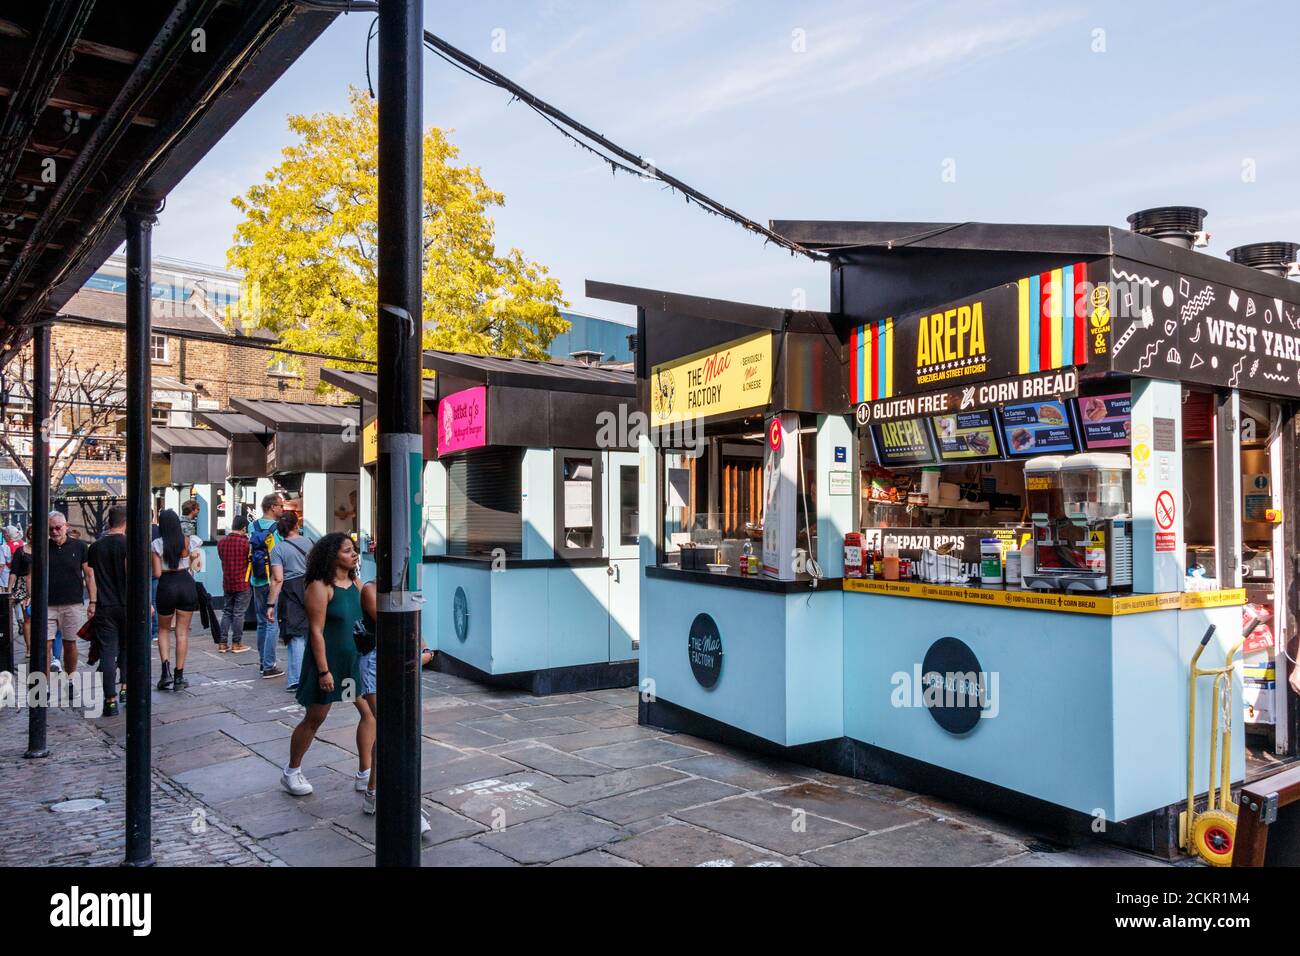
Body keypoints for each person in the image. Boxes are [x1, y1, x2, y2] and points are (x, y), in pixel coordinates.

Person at [281, 533, 371, 797]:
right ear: (332, 556)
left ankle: (365, 773)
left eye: (354, 549)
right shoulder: (320, 587)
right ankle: (291, 771)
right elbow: (316, 632)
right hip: (328, 663)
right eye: (347, 551)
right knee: (315, 718)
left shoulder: (355, 582)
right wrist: (323, 670)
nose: (354, 554)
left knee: (370, 714)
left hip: (354, 660)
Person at [355, 580, 431, 834]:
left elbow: (413, 624)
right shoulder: (370, 589)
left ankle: (373, 792)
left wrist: (424, 649)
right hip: (378, 662)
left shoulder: (407, 591)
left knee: (390, 732)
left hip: (401, 659)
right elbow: (394, 625)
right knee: (392, 729)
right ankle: (406, 806)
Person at [152, 508, 202, 691]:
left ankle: (165, 674)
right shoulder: (191, 541)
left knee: (163, 630)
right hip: (186, 585)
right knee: (182, 632)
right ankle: (179, 677)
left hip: (166, 586)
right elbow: (197, 567)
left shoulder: (157, 544)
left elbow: (157, 573)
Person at [86, 506, 128, 716]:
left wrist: (93, 602)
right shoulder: (129, 544)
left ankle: (109, 700)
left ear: (109, 522)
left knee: (108, 652)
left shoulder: (95, 547)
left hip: (105, 605)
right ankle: (125, 688)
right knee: (128, 648)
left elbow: (91, 577)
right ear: (125, 522)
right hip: (128, 605)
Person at [267, 511, 310, 691]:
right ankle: (312, 676)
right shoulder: (310, 543)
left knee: (295, 635)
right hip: (311, 587)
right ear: (296, 525)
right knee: (312, 632)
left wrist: (270, 604)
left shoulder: (278, 549)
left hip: (291, 592)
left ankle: (296, 678)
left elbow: (277, 579)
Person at [47, 511, 94, 675]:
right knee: (45, 644)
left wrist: (93, 601)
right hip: (47, 604)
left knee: (70, 642)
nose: (54, 532)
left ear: (66, 526)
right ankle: (43, 684)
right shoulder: (43, 547)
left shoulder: (79, 546)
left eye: (58, 528)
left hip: (71, 602)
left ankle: (71, 678)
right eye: (51, 529)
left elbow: (89, 575)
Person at [248, 493, 284, 678]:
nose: (282, 509)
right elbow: (278, 553)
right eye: (280, 505)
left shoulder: (251, 526)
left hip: (256, 578)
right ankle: (269, 666)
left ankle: (262, 662)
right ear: (272, 507)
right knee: (272, 623)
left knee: (261, 622)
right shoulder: (277, 529)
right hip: (272, 580)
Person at [216, 515, 253, 654]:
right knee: (239, 613)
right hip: (242, 582)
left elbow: (221, 558)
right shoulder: (246, 544)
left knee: (227, 612)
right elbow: (251, 561)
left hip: (227, 582)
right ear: (244, 527)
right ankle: (236, 643)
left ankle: (222, 643)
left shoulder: (222, 542)